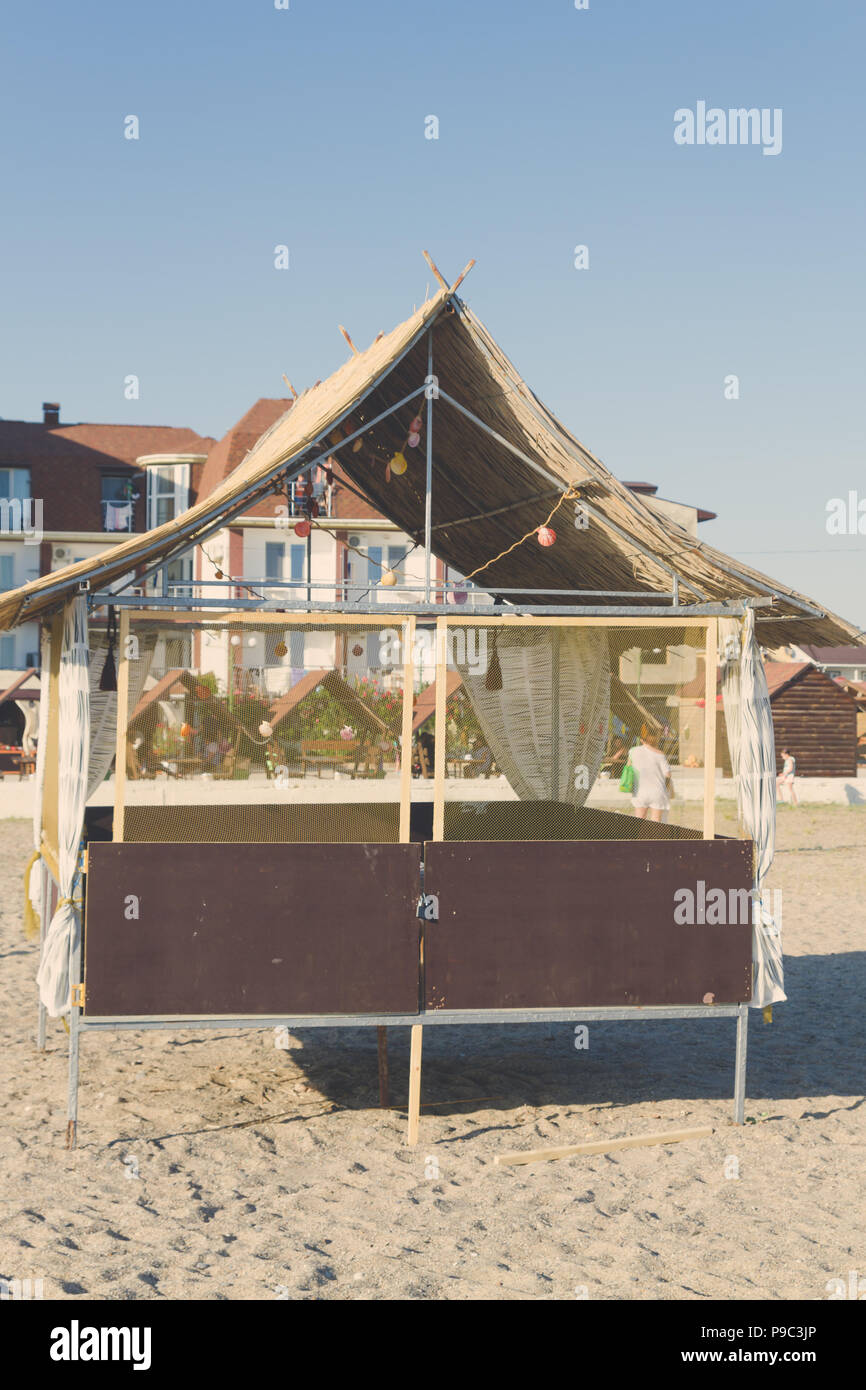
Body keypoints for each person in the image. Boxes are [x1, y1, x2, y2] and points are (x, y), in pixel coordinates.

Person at [627, 725, 674, 823]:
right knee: (656, 821)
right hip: (657, 792)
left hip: (639, 791)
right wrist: (667, 789)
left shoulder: (633, 751)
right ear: (656, 740)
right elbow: (668, 775)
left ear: (642, 739)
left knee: (639, 820)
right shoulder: (660, 755)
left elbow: (628, 768)